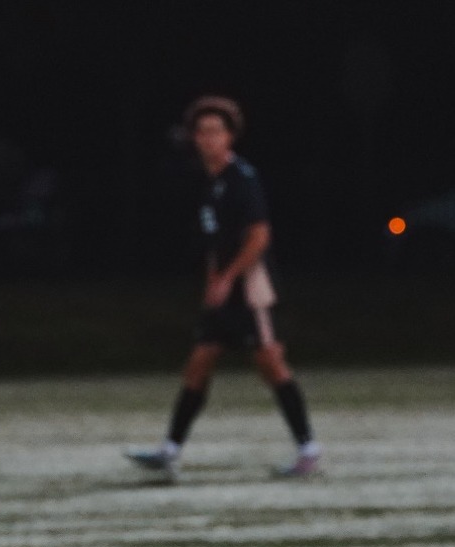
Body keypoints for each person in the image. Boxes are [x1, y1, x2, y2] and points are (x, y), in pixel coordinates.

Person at [126, 96, 320, 481]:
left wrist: (229, 277)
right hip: (225, 286)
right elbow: (216, 242)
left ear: (231, 136)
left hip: (250, 288)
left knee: (270, 363)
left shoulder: (241, 179)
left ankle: (308, 449)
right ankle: (170, 450)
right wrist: (213, 282)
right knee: (199, 361)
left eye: (216, 130)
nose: (208, 138)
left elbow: (259, 236)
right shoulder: (208, 183)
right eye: (201, 131)